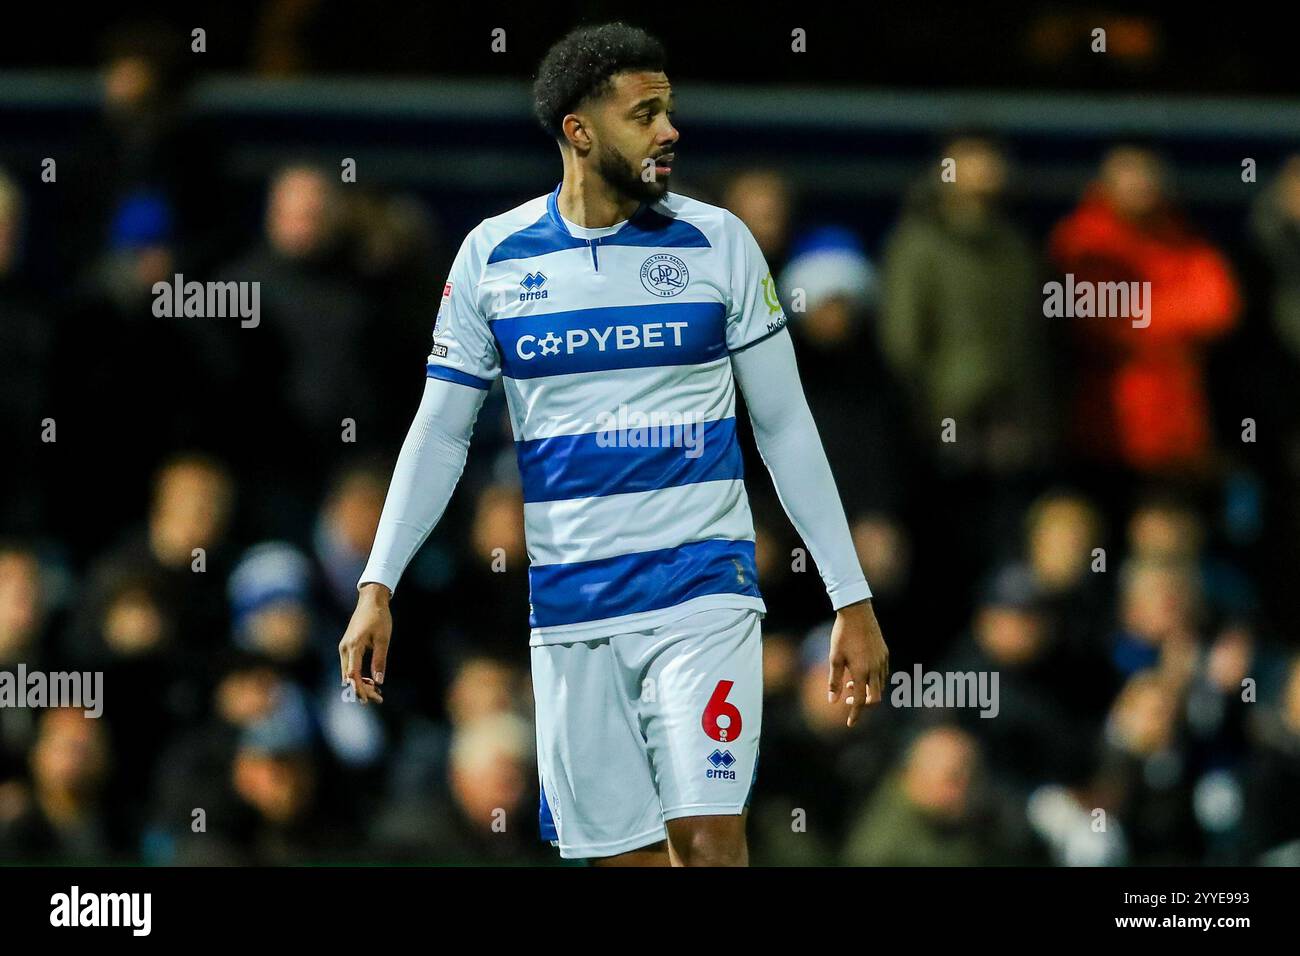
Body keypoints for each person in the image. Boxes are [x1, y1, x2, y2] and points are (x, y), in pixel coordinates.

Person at [338, 22, 889, 867]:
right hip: (573, 613)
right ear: (579, 131)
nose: (669, 131)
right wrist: (379, 582)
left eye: (669, 110)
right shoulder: (494, 258)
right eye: (645, 114)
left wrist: (849, 596)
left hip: (703, 593)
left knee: (708, 842)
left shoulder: (720, 244)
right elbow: (441, 431)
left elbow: (784, 426)